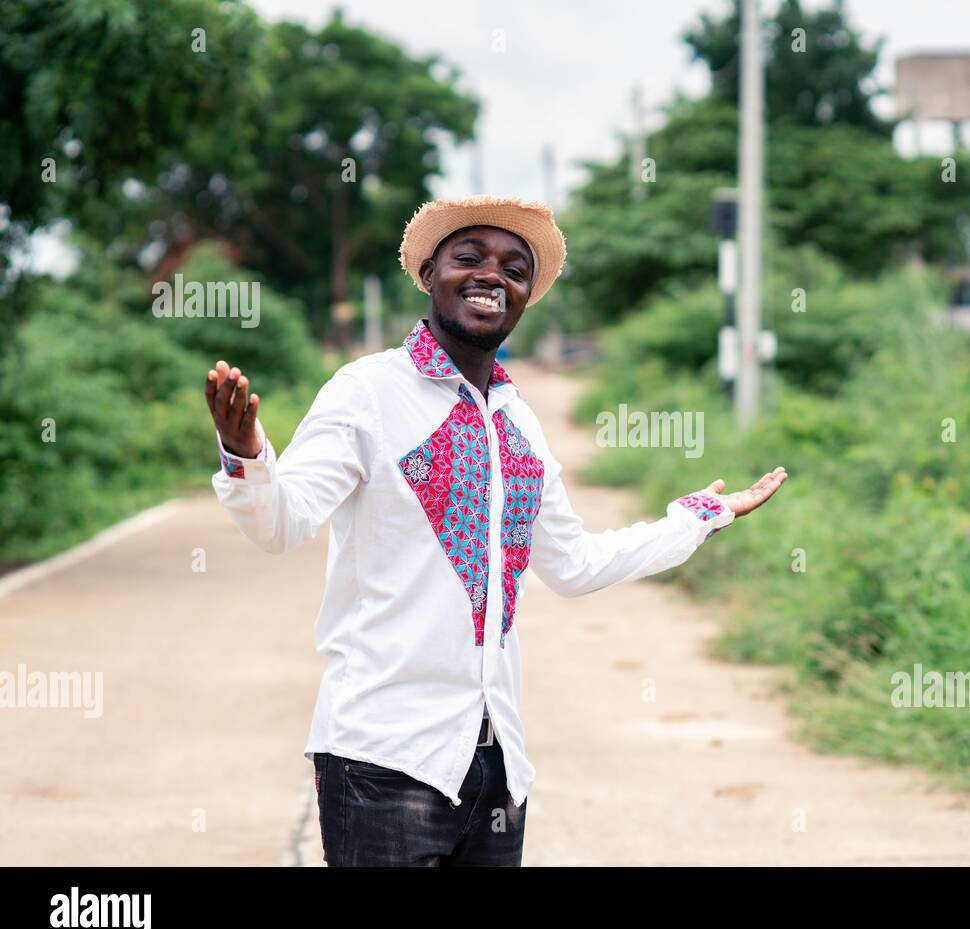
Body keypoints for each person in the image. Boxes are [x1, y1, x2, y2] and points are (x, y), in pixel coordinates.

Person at [204, 194, 787, 866]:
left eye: (514, 267)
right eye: (469, 257)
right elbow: (283, 521)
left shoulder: (518, 425)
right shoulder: (366, 393)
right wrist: (247, 453)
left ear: (524, 297)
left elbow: (574, 564)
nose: (492, 275)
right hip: (383, 761)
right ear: (429, 274)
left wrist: (697, 519)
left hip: (496, 769)